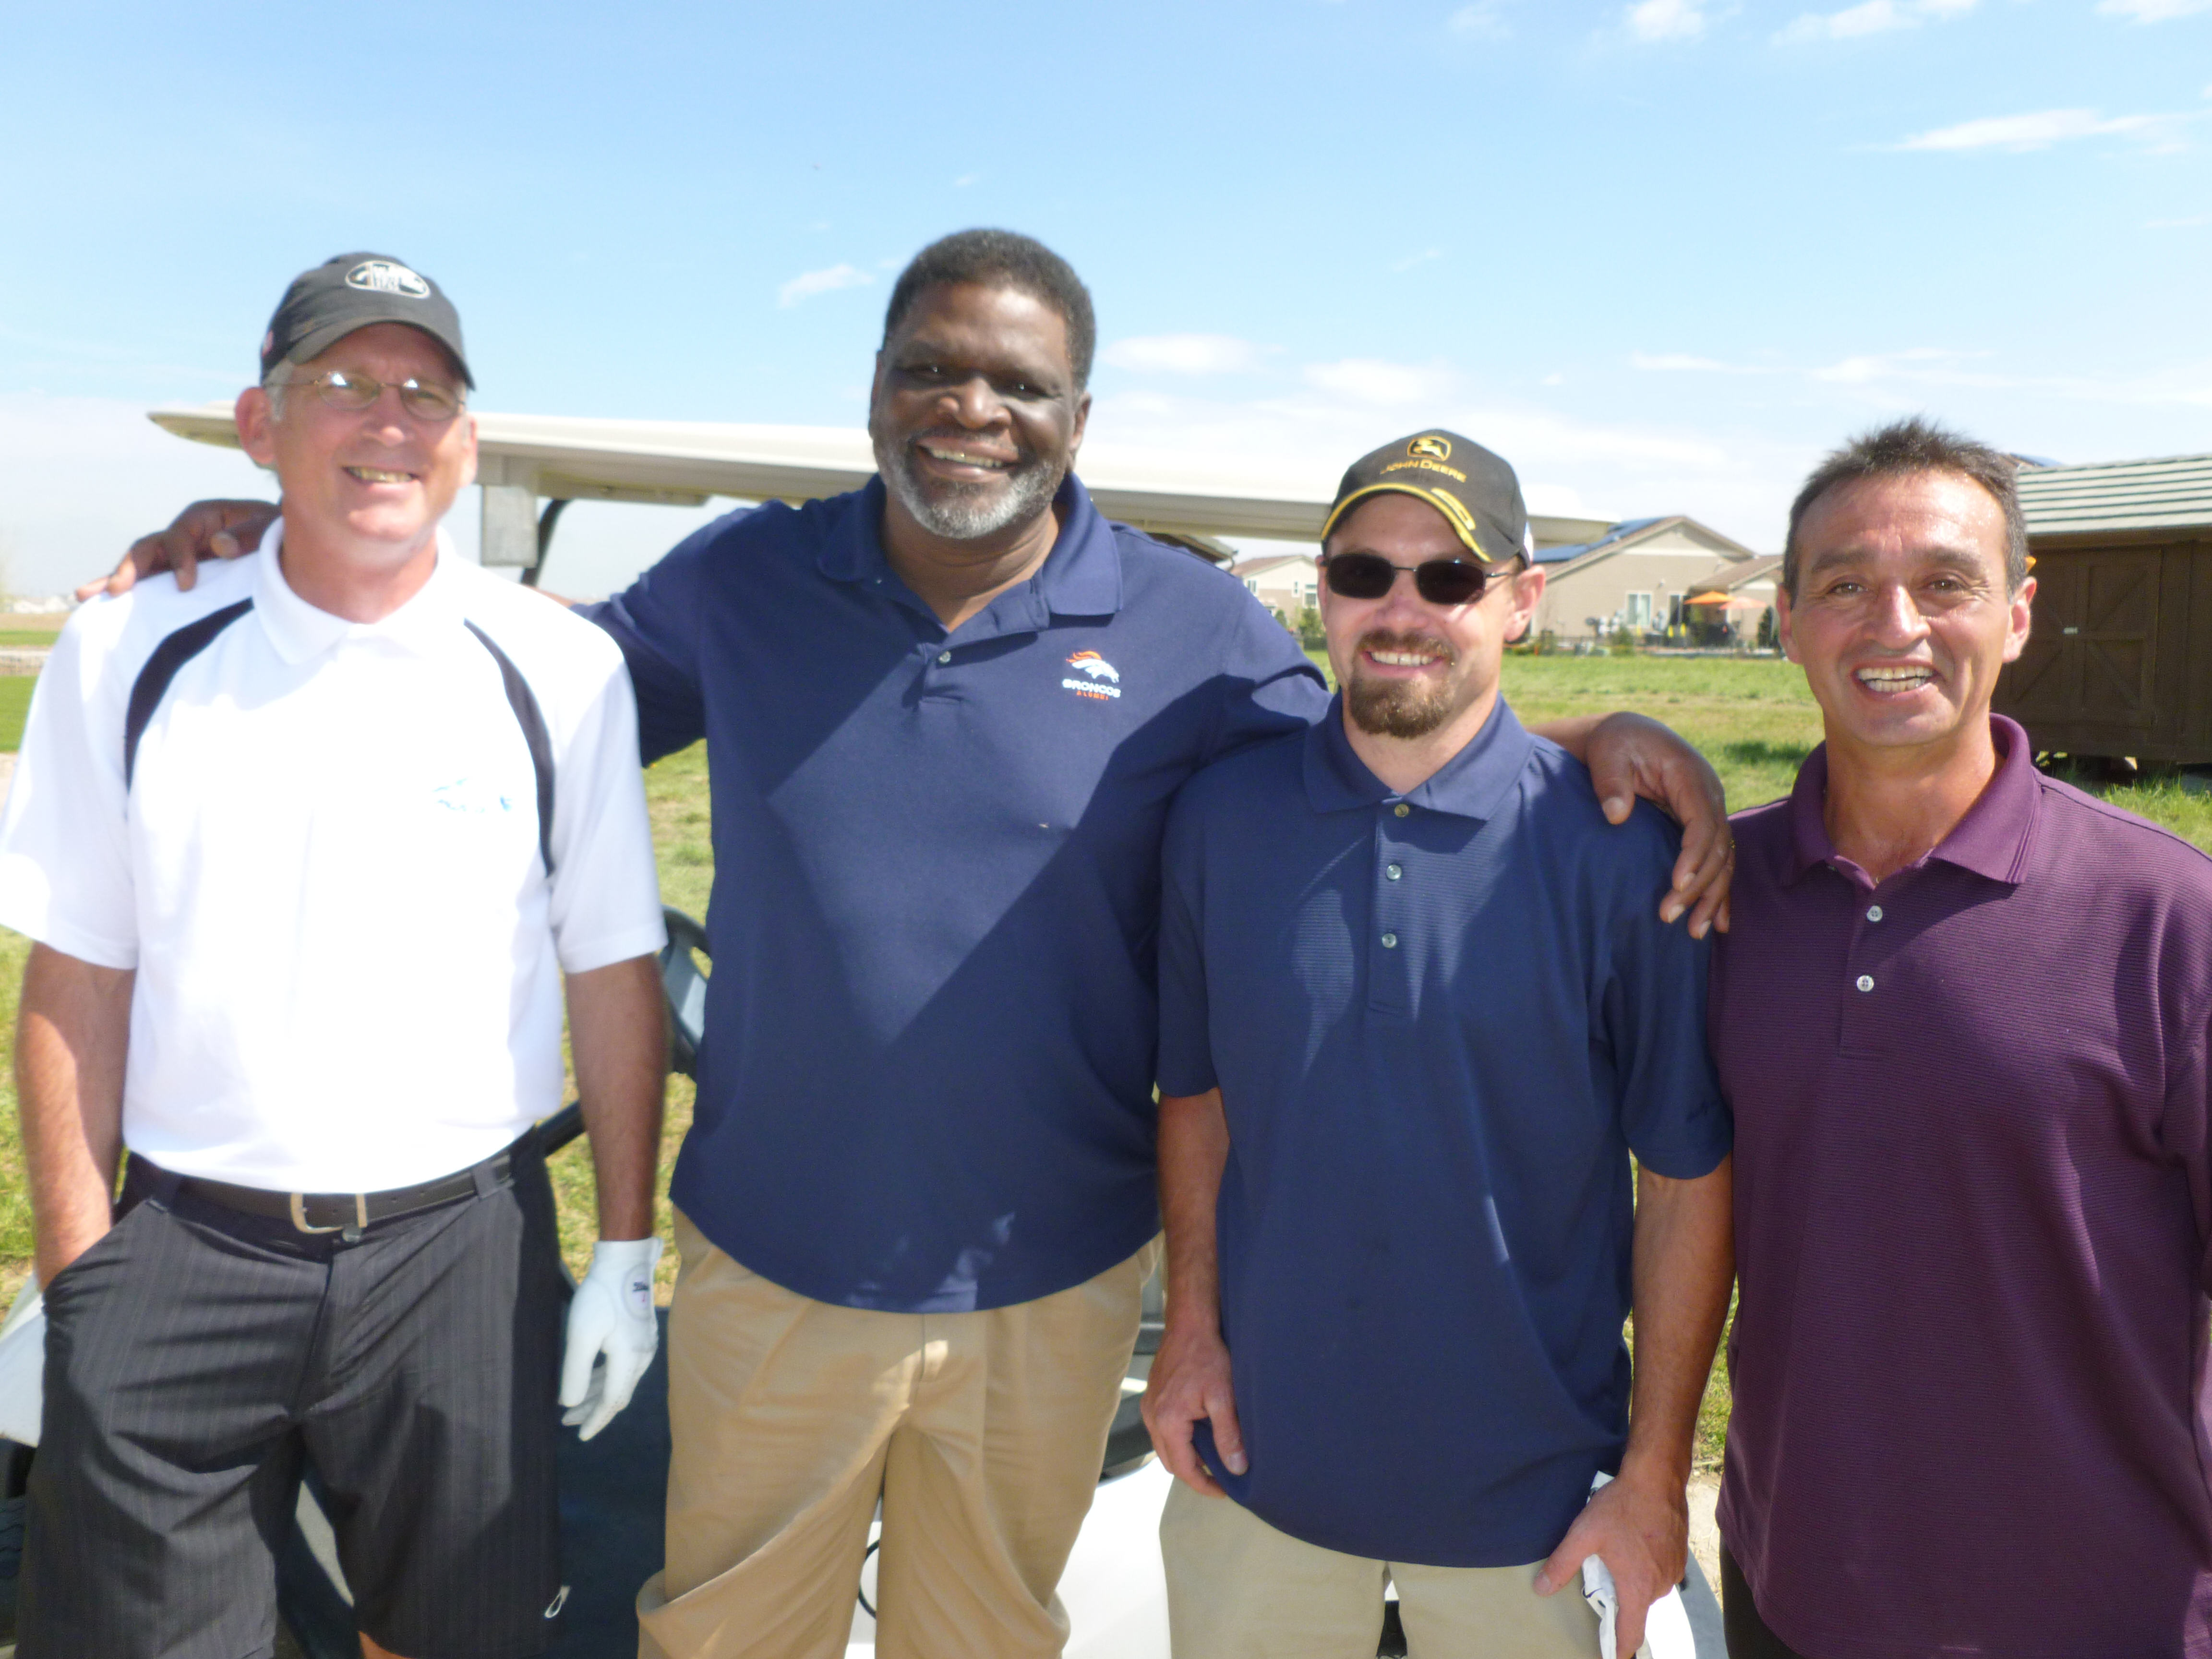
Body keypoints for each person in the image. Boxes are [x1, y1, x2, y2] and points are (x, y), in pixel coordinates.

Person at [101, 230, 1734, 1659]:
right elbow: (496, 699)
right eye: (931, 370)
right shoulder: (744, 578)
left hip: (1054, 1284)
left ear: (1077, 419)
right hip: (769, 1262)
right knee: (726, 1629)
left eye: (1016, 385)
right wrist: (288, 541)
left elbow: (1379, 731)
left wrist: (1579, 723)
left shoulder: (1184, 624)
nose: (971, 408)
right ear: (874, 388)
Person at [0, 253, 671, 1659]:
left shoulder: (561, 671)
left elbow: (612, 968)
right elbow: (77, 977)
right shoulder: (129, 647)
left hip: (460, 1254)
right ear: (263, 423)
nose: (389, 420)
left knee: (458, 1635)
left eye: (425, 391)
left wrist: (622, 1248)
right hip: (183, 1242)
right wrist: (81, 1278)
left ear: (465, 440)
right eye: (346, 385)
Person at [1141, 430, 1734, 1659]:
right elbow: (1195, 1096)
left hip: (1534, 1510)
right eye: (1364, 573)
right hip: (1261, 1482)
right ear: (1324, 590)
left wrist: (1655, 1476)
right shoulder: (1220, 821)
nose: (1401, 610)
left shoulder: (1627, 855)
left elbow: (1684, 1176)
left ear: (1521, 601)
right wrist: (1191, 1331)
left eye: (1450, 579)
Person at [1711, 417, 2212, 1658]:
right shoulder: (1720, 894)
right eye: (1845, 586)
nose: (1896, 625)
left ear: (2019, 614)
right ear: (1785, 617)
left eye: (1946, 584)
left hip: (2106, 1610)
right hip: (1795, 1594)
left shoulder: (2167, 914)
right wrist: (1608, 739)